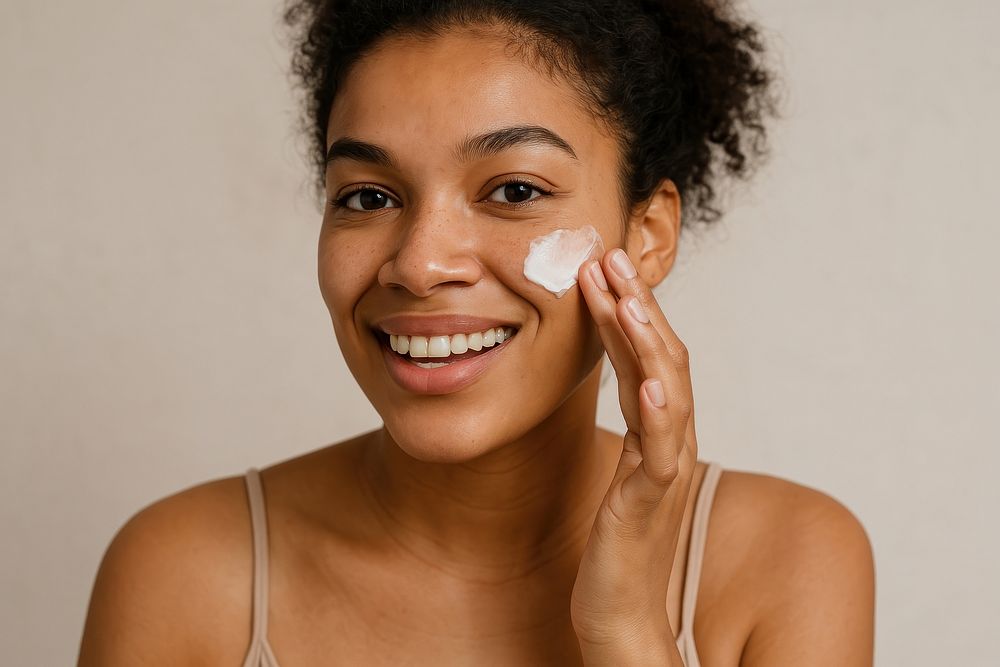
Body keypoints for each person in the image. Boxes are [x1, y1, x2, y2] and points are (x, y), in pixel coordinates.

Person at [78, 1, 876, 664]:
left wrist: (626, 628)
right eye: (366, 197)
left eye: (515, 188)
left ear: (649, 234)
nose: (420, 265)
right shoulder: (180, 572)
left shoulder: (790, 562)